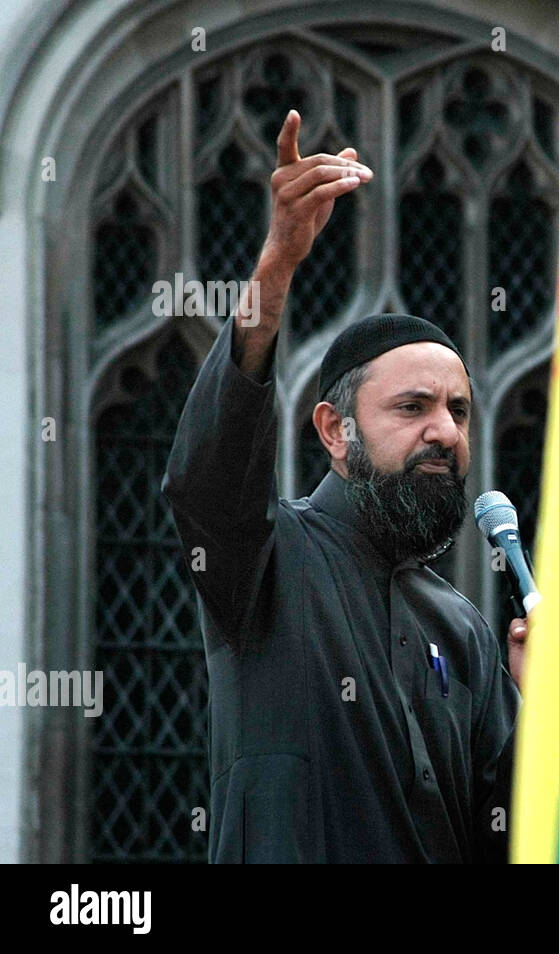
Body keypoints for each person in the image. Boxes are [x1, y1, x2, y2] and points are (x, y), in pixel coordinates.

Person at [162, 109, 528, 862]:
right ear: (333, 430)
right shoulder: (267, 560)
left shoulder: (462, 628)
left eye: (458, 411)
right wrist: (277, 265)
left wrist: (544, 718)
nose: (445, 432)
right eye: (412, 407)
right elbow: (211, 473)